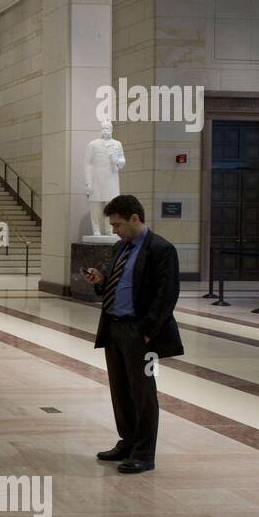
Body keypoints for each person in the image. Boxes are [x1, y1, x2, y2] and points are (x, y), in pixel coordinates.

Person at [82, 194, 183, 474]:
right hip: (115, 328)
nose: (114, 230)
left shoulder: (161, 249)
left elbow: (167, 295)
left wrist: (148, 333)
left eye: (117, 225)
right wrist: (100, 281)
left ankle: (144, 453)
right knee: (121, 390)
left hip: (141, 334)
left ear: (134, 219)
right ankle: (127, 441)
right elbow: (116, 285)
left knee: (143, 394)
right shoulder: (120, 248)